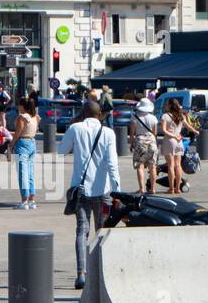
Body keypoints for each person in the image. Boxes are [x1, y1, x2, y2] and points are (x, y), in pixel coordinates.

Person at [58, 102, 119, 290]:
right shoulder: (108, 133)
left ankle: (81, 274)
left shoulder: (75, 128)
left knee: (81, 230)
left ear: (83, 114)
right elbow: (112, 163)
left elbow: (61, 151)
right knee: (102, 231)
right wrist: (117, 189)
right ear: (100, 114)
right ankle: (102, 271)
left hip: (81, 188)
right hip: (104, 189)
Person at [158, 98, 196, 196]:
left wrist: (172, 135)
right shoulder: (181, 116)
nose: (166, 106)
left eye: (167, 104)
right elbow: (188, 127)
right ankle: (178, 188)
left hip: (169, 141)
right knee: (178, 165)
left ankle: (171, 188)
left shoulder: (165, 116)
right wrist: (196, 131)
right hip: (179, 142)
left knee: (170, 166)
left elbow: (163, 130)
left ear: (170, 105)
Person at [13, 97, 38, 209]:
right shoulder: (35, 117)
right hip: (32, 143)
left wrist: (11, 144)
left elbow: (18, 133)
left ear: (23, 106)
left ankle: (24, 201)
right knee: (30, 173)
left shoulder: (22, 118)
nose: (18, 107)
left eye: (19, 105)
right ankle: (32, 200)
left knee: (22, 173)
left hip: (22, 143)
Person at [129, 97, 159, 194]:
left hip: (140, 142)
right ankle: (153, 188)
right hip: (152, 142)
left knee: (140, 166)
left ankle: (142, 188)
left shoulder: (135, 117)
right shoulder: (153, 118)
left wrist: (131, 143)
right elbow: (155, 133)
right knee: (152, 166)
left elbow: (132, 132)